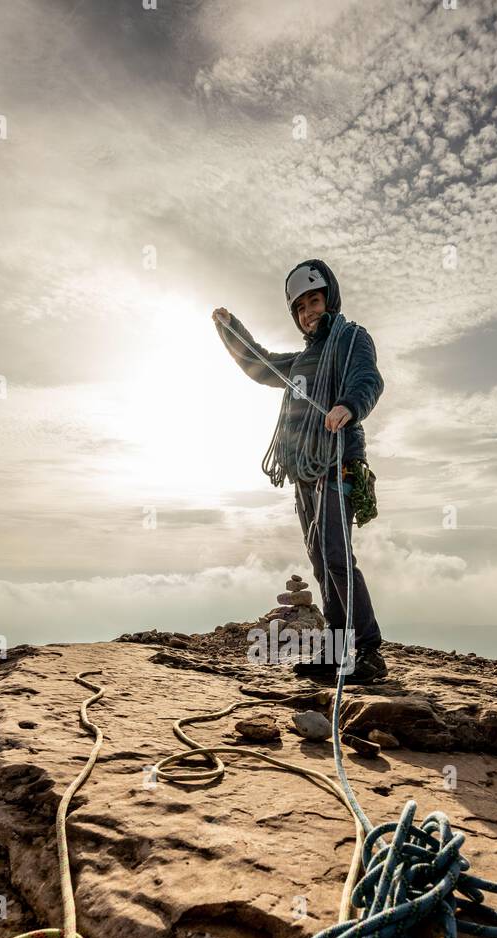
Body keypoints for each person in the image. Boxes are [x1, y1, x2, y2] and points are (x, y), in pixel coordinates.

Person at [212, 258, 387, 684]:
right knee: (321, 560)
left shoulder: (351, 339)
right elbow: (261, 364)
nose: (309, 311)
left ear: (330, 298)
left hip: (337, 464)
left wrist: (349, 405)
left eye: (315, 300)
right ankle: (337, 648)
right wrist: (231, 329)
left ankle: (368, 651)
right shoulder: (302, 361)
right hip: (305, 474)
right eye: (300, 307)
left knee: (336, 556)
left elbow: (369, 379)